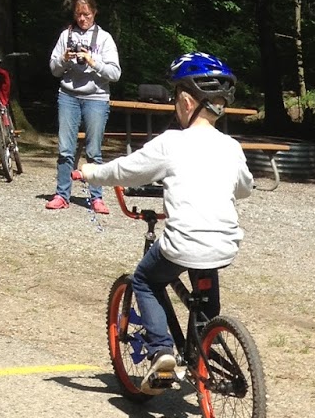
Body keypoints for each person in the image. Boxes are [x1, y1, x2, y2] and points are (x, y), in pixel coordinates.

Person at [73, 52, 255, 391]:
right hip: (225, 243)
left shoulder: (172, 143)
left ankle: (162, 353)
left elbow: (125, 170)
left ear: (186, 101)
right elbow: (245, 188)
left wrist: (90, 173)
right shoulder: (231, 146)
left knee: (144, 279)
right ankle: (208, 336)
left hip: (183, 242)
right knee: (205, 262)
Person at [46, 0, 121, 213]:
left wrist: (93, 61)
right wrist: (64, 59)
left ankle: (96, 197)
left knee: (94, 151)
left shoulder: (104, 39)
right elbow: (53, 69)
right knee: (65, 149)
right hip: (68, 96)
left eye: (86, 14)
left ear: (94, 13)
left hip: (96, 98)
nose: (82, 19)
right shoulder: (65, 36)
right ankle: (62, 194)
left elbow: (115, 73)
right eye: (78, 14)